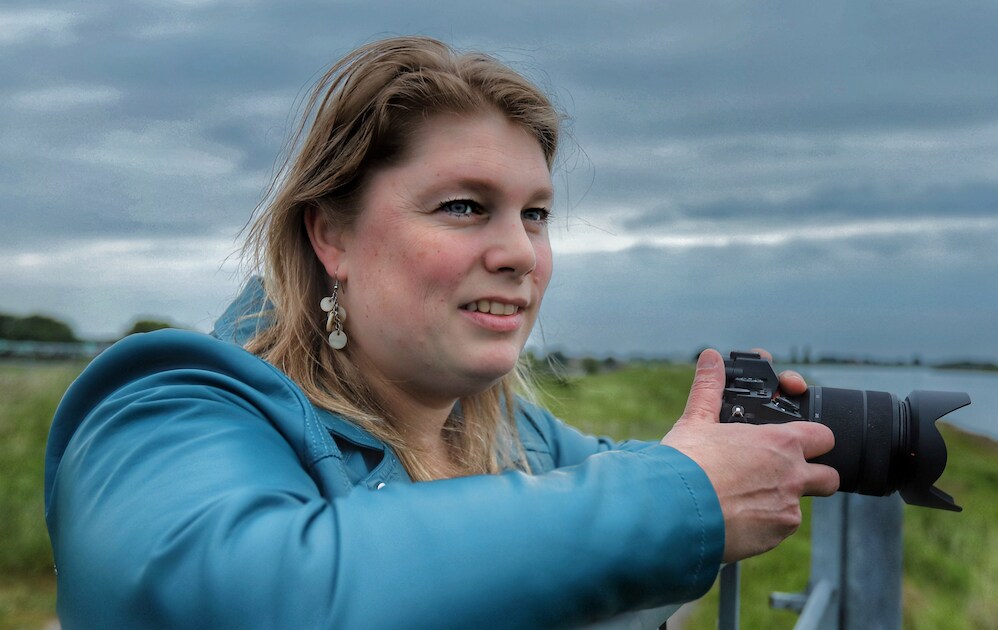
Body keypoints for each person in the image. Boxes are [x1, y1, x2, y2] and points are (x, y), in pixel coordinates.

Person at [44, 37, 839, 629]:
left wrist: (742, 444)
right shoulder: (168, 407)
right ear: (332, 237)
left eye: (535, 214)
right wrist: (685, 497)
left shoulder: (520, 436)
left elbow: (627, 488)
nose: (518, 253)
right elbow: (238, 596)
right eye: (463, 206)